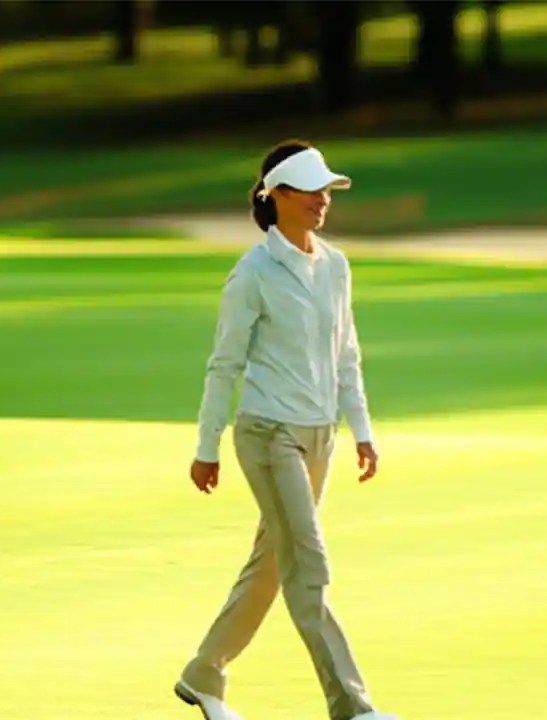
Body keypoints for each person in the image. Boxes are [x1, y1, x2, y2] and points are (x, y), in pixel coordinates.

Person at [175, 141, 398, 720]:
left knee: (272, 564)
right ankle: (352, 705)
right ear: (276, 197)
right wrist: (206, 447)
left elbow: (346, 355)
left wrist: (363, 430)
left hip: (320, 435)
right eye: (312, 190)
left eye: (327, 190)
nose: (324, 200)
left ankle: (204, 674)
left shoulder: (337, 266)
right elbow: (224, 365)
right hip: (268, 434)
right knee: (309, 564)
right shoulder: (252, 273)